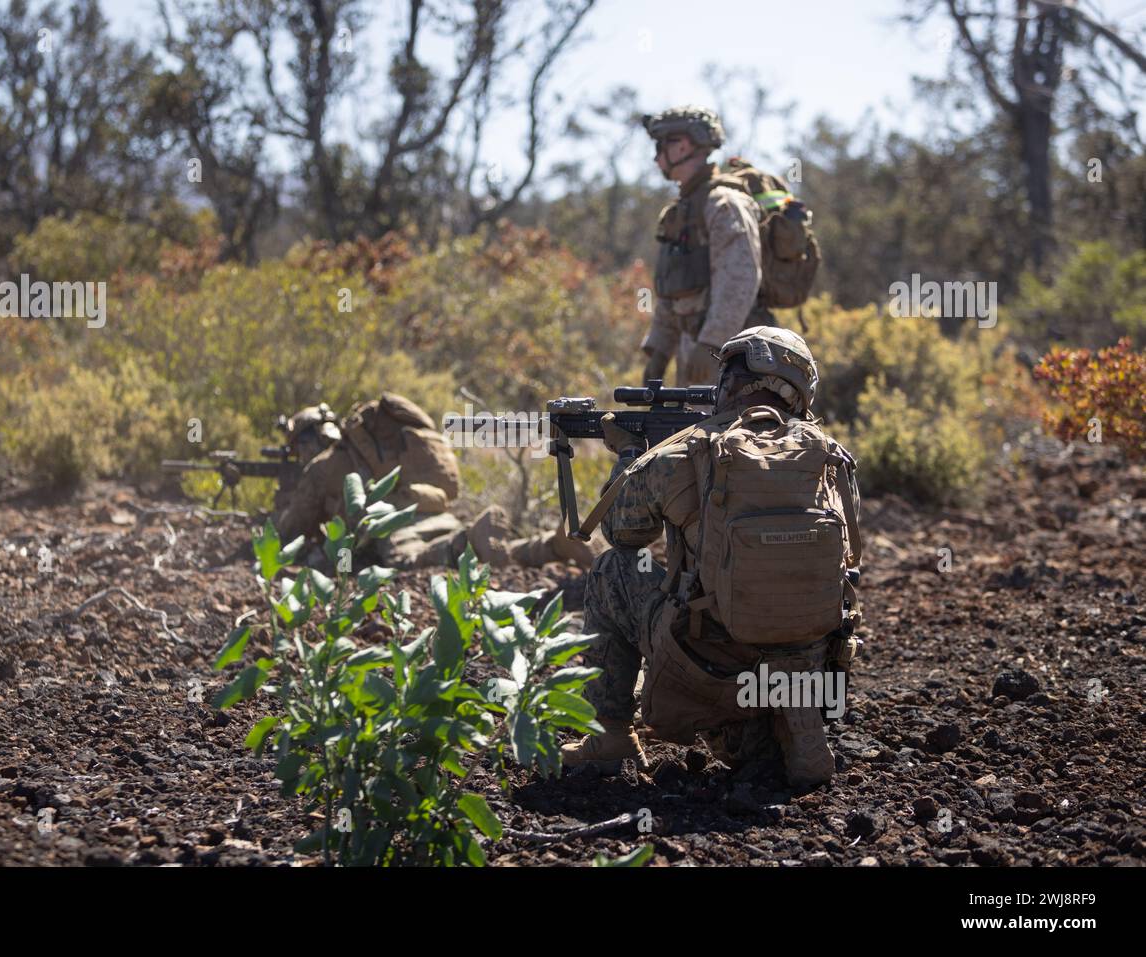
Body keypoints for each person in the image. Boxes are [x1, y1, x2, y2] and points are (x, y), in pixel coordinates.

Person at [563, 327, 862, 789]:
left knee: (610, 570)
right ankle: (790, 720)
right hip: (809, 676)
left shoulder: (686, 449)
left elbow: (620, 532)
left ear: (731, 382)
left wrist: (627, 453)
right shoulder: (830, 460)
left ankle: (609, 737)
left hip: (710, 670)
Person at [275, 393, 601, 569]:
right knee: (490, 554)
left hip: (396, 526)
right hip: (436, 513)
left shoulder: (323, 466)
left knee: (412, 560)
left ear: (305, 441)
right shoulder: (369, 450)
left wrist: (260, 540)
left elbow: (291, 529)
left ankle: (470, 539)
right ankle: (552, 544)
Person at [640, 106, 772, 389]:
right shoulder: (681, 211)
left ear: (682, 146)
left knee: (734, 434)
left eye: (660, 146)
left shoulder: (724, 204)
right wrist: (660, 351)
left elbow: (740, 279)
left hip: (740, 357)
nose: (655, 156)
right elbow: (673, 292)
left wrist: (712, 342)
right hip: (696, 350)